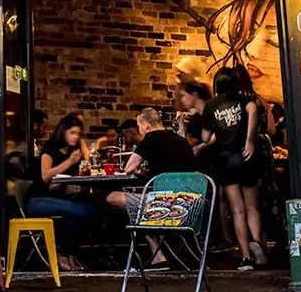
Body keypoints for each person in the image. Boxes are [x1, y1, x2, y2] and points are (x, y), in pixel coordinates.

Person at [107, 108, 197, 267]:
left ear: (146, 125)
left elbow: (128, 168)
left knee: (113, 197)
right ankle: (163, 254)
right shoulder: (181, 140)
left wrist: (138, 170)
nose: (139, 130)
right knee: (141, 205)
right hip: (191, 202)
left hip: (167, 203)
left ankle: (158, 257)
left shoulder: (151, 138)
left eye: (139, 126)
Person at [201, 68, 267, 271]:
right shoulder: (242, 99)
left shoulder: (211, 105)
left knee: (237, 210)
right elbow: (254, 110)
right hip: (246, 157)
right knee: (252, 207)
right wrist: (249, 140)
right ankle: (257, 242)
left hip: (224, 160)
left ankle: (245, 256)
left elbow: (205, 137)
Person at [25, 113, 97, 272]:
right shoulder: (50, 149)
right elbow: (45, 175)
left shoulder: (74, 151)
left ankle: (68, 252)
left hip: (60, 199)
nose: (75, 137)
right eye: (72, 133)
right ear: (62, 132)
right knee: (79, 210)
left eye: (78, 134)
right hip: (38, 200)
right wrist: (69, 162)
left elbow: (87, 161)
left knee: (88, 210)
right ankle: (63, 253)